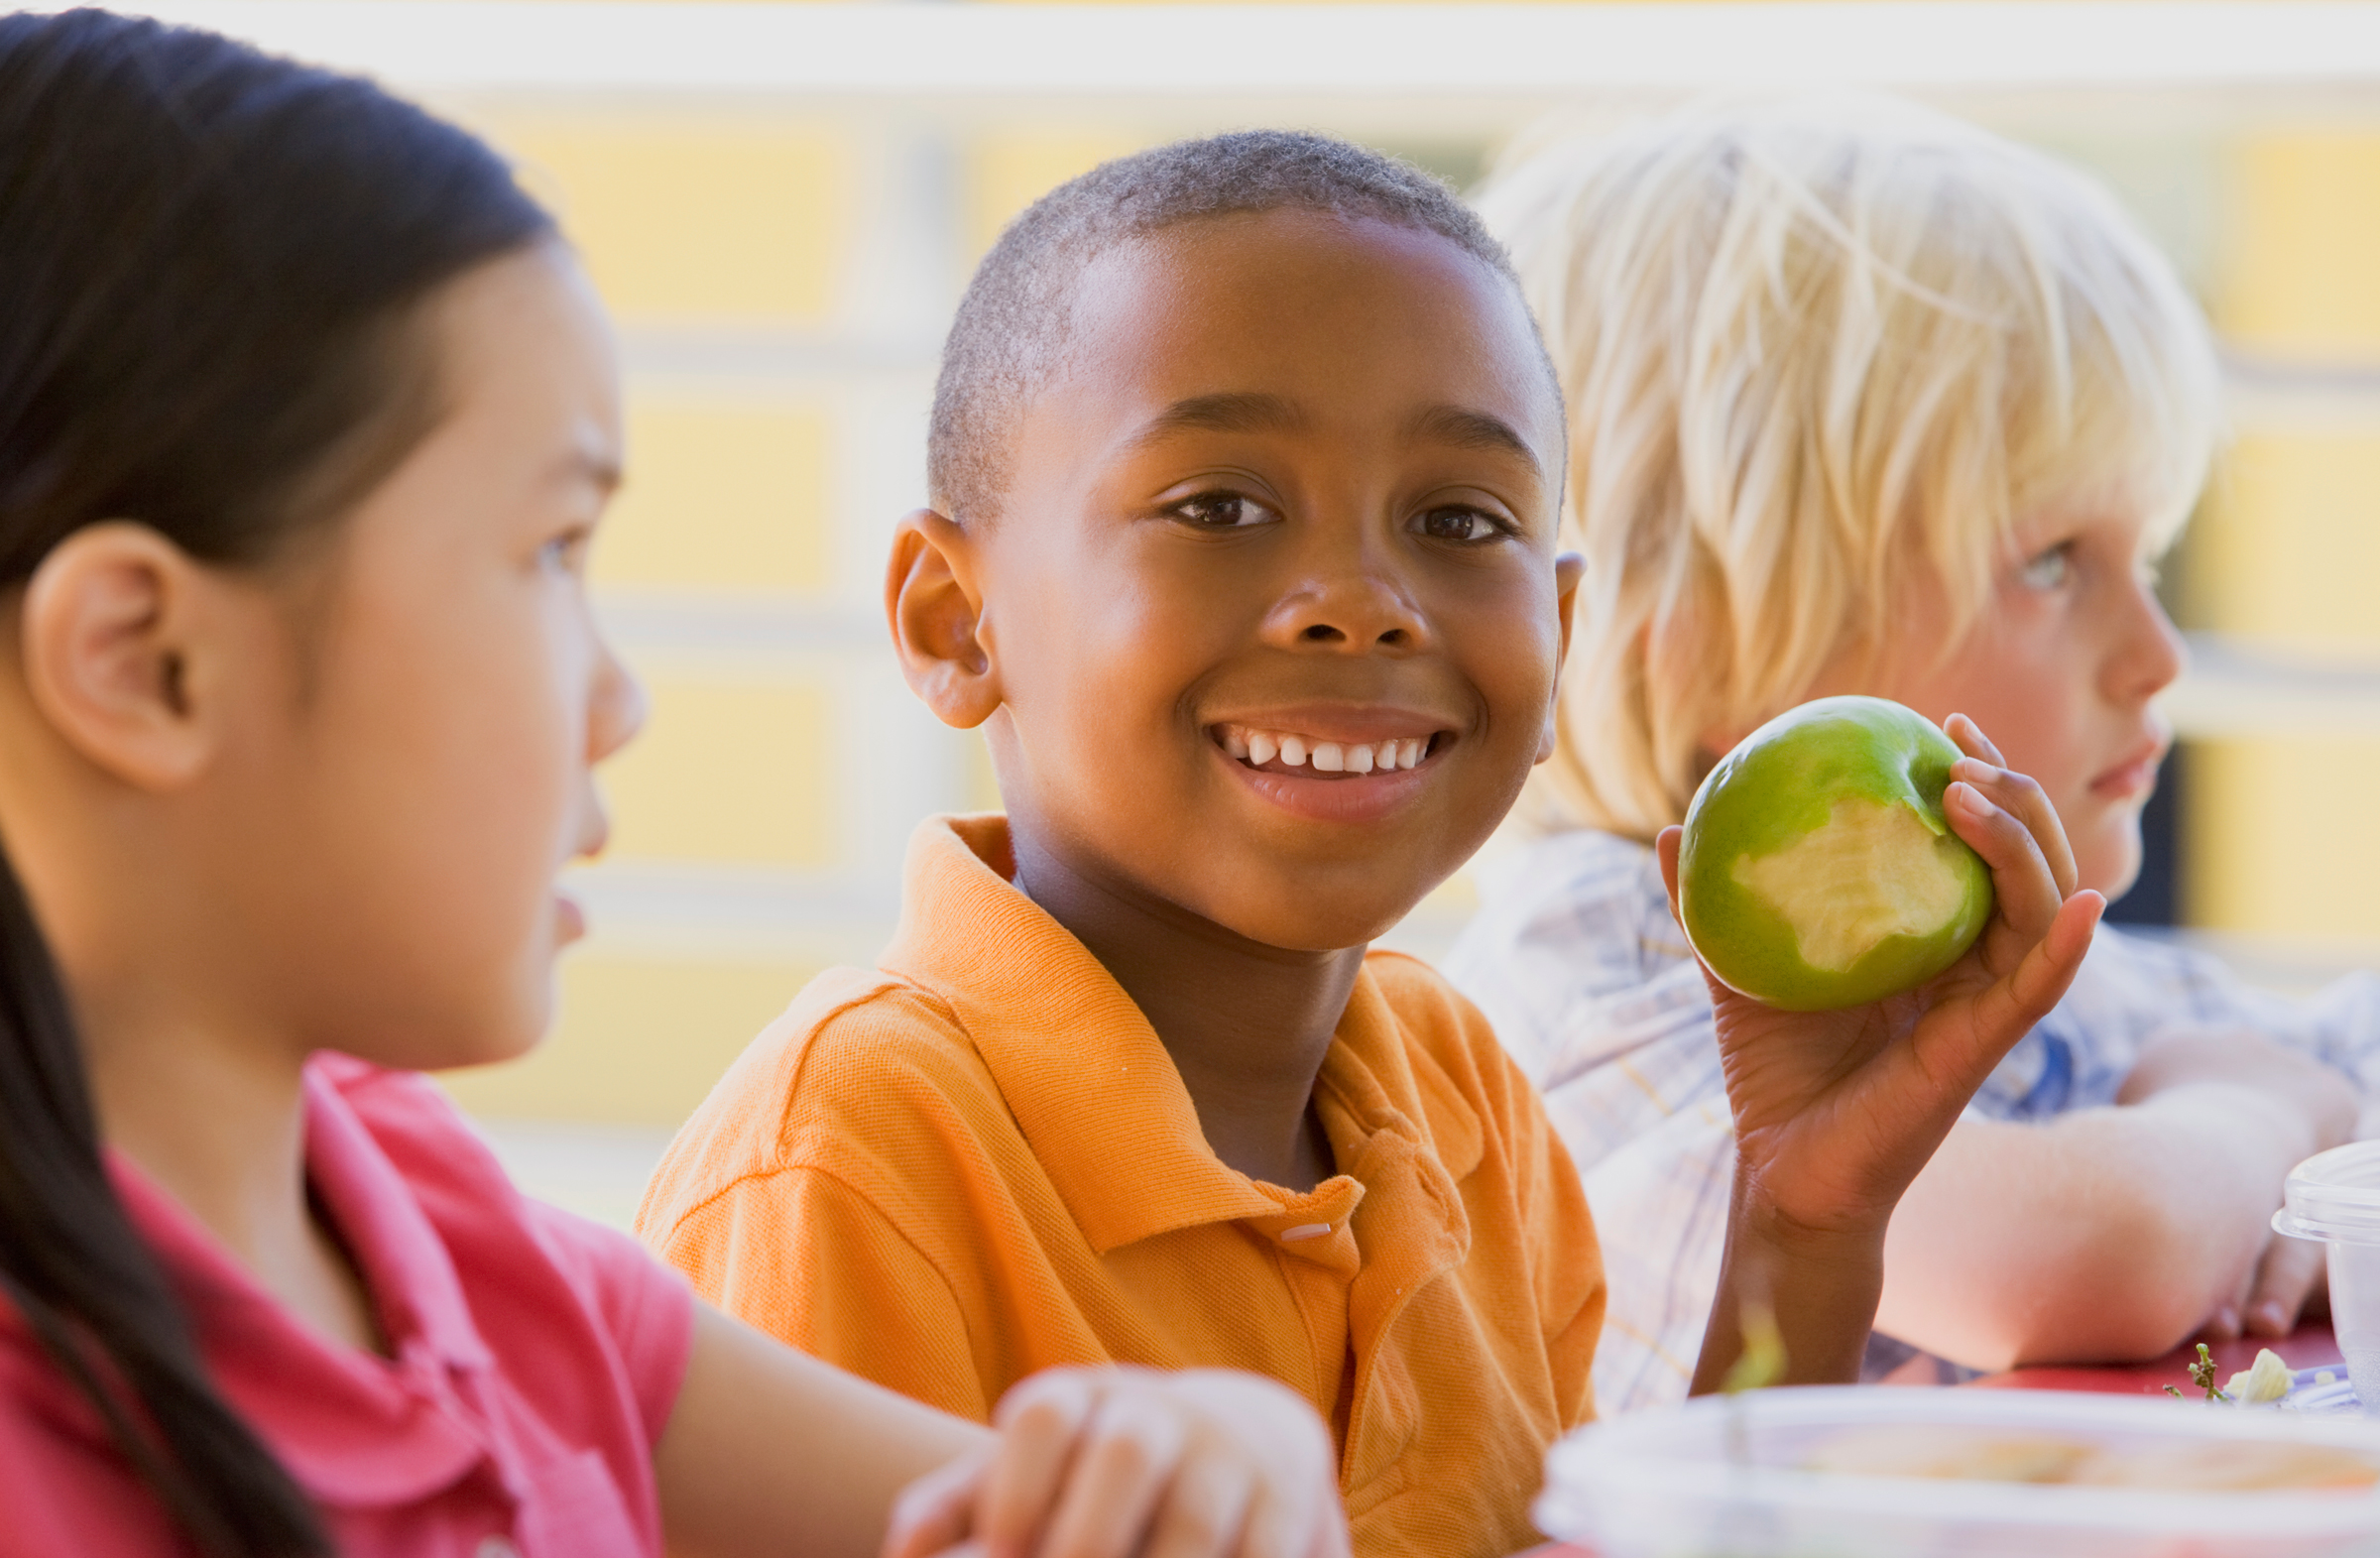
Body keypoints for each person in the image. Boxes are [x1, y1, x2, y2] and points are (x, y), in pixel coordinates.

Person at [637, 128, 2101, 1558]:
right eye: (1219, 505)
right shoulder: (851, 1162)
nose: (1360, 598)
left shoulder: (1457, 1098)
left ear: (1560, 639)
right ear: (956, 622)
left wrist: (1806, 1216)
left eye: (1460, 520)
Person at [0, 13, 1353, 1558]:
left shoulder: (423, 1224)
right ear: (145, 662)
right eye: (547, 554)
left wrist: (1208, 1452)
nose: (619, 702)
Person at [1445, 95, 2369, 1415]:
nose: (2159, 652)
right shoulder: (1600, 980)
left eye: (2144, 558)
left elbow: (2345, 1054)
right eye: (2052, 564)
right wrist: (2262, 1119)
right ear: (1721, 668)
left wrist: (2299, 1118)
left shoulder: (2025, 951)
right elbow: (2064, 1258)